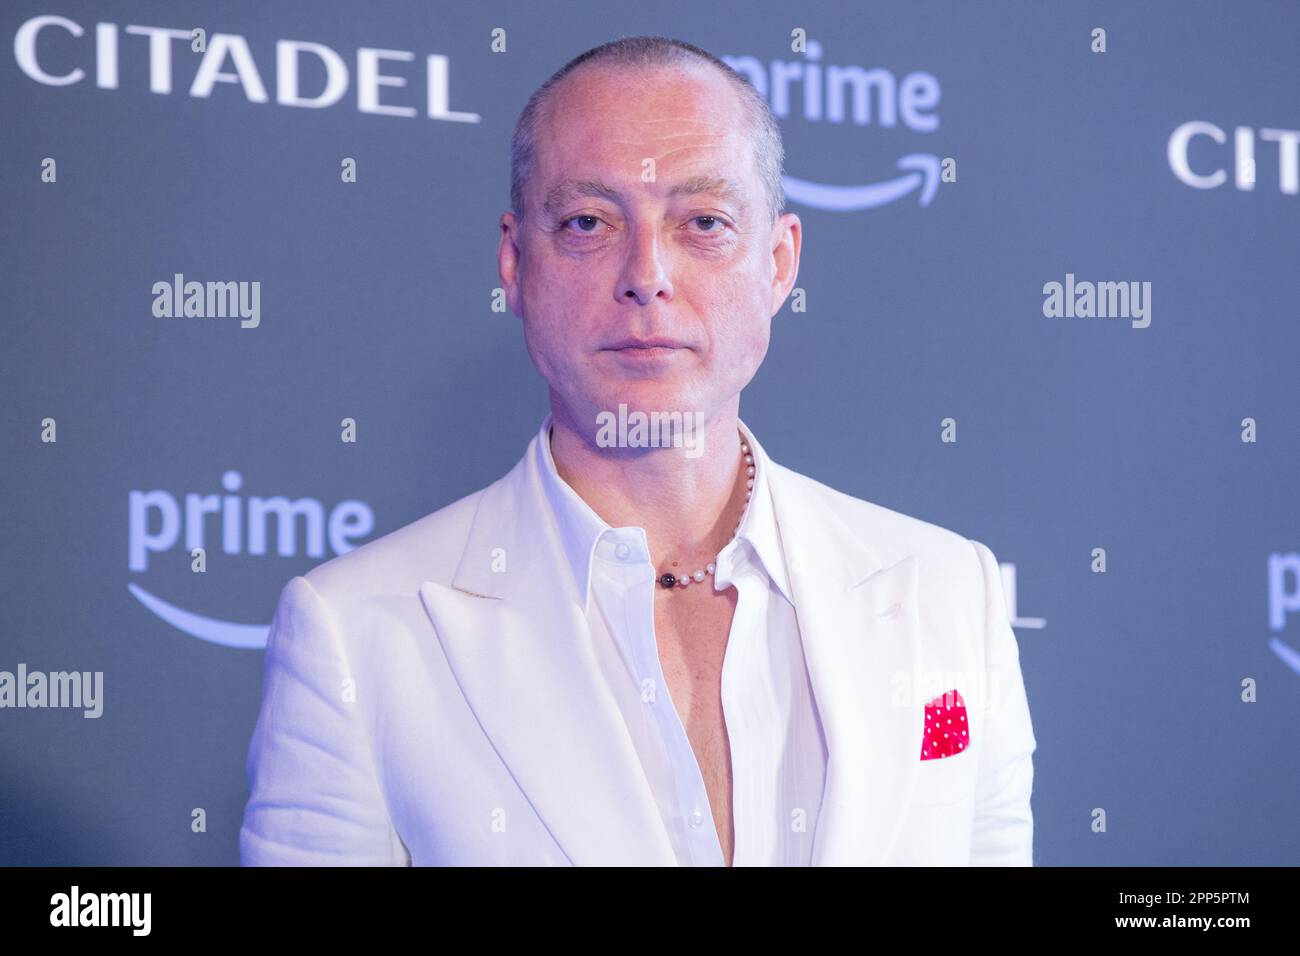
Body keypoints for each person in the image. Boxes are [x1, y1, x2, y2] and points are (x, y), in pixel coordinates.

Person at [239, 35, 1036, 867]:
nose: (646, 273)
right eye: (588, 222)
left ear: (778, 263)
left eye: (704, 223)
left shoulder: (948, 592)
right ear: (515, 263)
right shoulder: (357, 633)